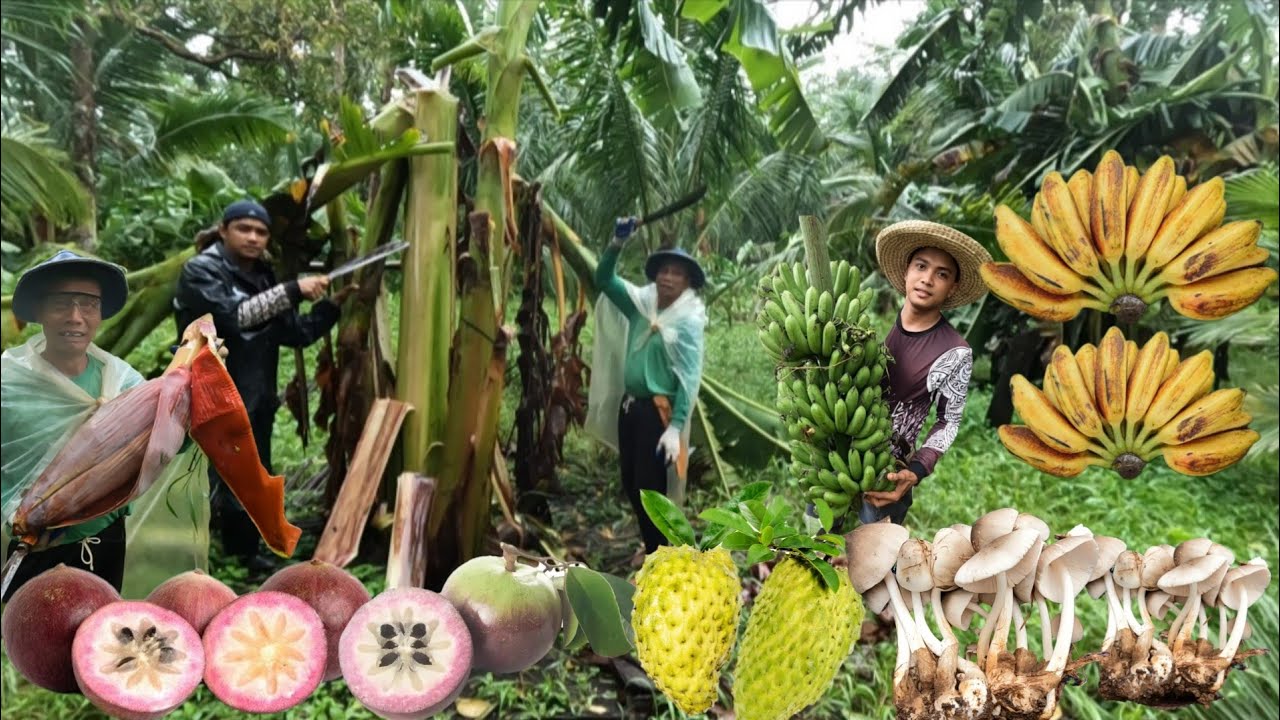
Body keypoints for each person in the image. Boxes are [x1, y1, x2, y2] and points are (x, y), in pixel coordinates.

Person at [173, 199, 351, 571]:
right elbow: (235, 318)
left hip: (255, 395)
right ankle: (197, 553)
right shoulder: (201, 270)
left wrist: (333, 306)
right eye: (244, 229)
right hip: (209, 393)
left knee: (253, 471)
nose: (253, 238)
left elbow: (294, 332)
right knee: (205, 473)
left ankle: (244, 552)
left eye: (261, 232)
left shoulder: (262, 275)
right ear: (223, 230)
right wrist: (292, 290)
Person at [2, 250, 143, 601]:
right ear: (39, 312)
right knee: (34, 640)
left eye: (88, 305)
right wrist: (14, 518)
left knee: (103, 639)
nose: (76, 317)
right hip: (29, 541)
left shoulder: (124, 382)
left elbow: (162, 443)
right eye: (61, 304)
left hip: (104, 537)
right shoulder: (8, 382)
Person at [585, 218, 707, 560]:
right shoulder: (640, 305)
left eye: (677, 273)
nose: (668, 277)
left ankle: (660, 555)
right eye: (664, 270)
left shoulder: (688, 323)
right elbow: (604, 280)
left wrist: (676, 427)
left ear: (687, 282)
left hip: (657, 415)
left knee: (650, 489)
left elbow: (688, 377)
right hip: (631, 410)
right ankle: (653, 548)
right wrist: (616, 243)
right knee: (629, 483)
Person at [861, 220, 992, 525]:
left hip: (888, 472)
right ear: (907, 270)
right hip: (838, 456)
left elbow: (949, 420)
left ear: (952, 288)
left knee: (875, 566)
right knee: (815, 551)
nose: (927, 279)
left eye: (942, 274)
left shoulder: (955, 351)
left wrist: (918, 470)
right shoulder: (862, 325)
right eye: (921, 266)